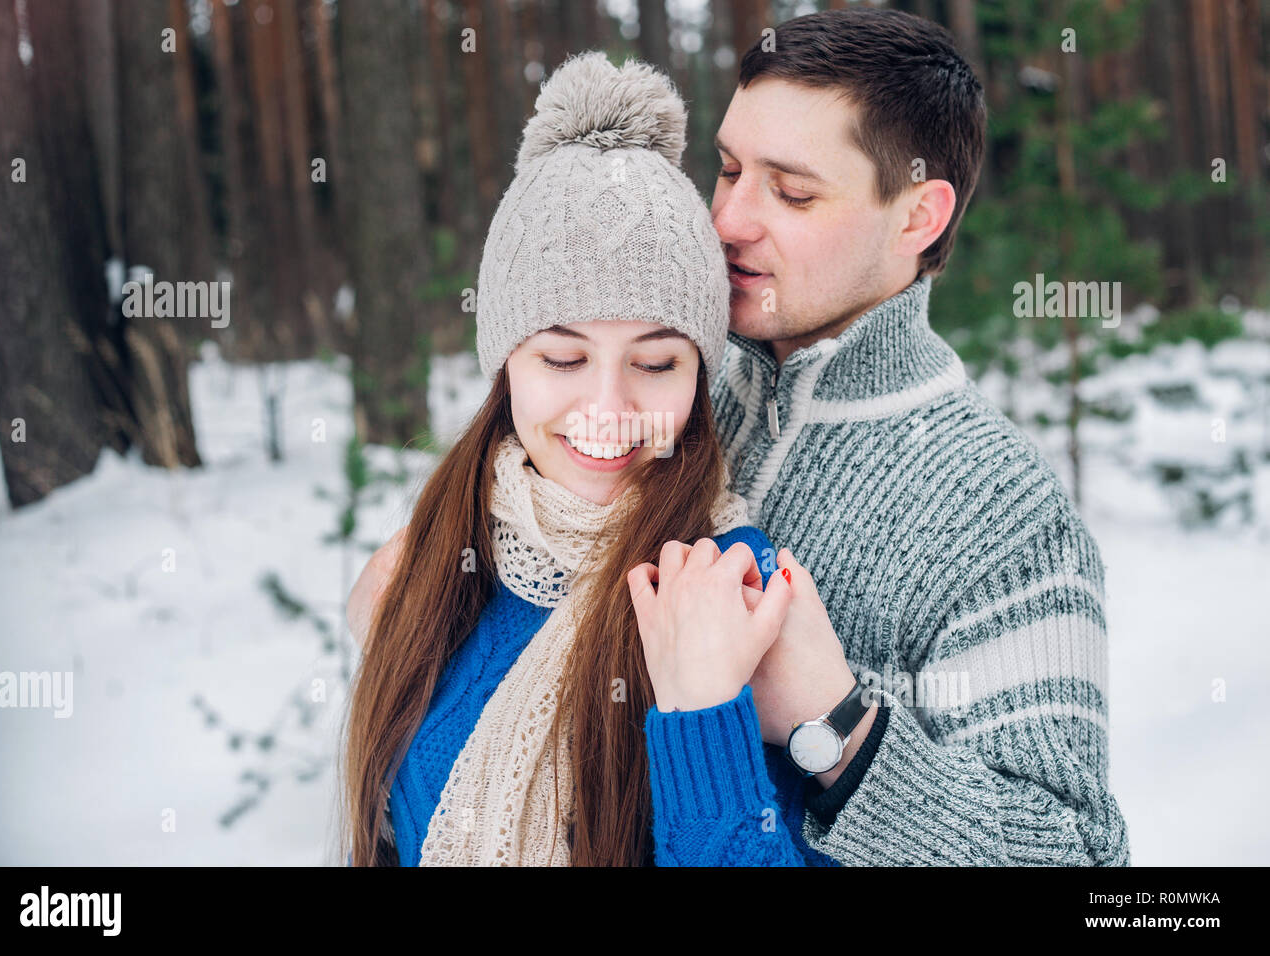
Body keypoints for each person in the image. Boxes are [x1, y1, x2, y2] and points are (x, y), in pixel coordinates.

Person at [341, 50, 843, 867]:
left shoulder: (729, 590)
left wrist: (703, 715)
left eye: (654, 364)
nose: (609, 413)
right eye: (562, 360)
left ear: (701, 375)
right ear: (505, 364)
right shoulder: (434, 559)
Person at [670, 6, 1129, 865]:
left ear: (919, 217)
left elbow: (1078, 858)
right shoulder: (674, 399)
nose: (728, 219)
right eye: (728, 170)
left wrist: (841, 730)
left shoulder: (1004, 517)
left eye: (792, 190)